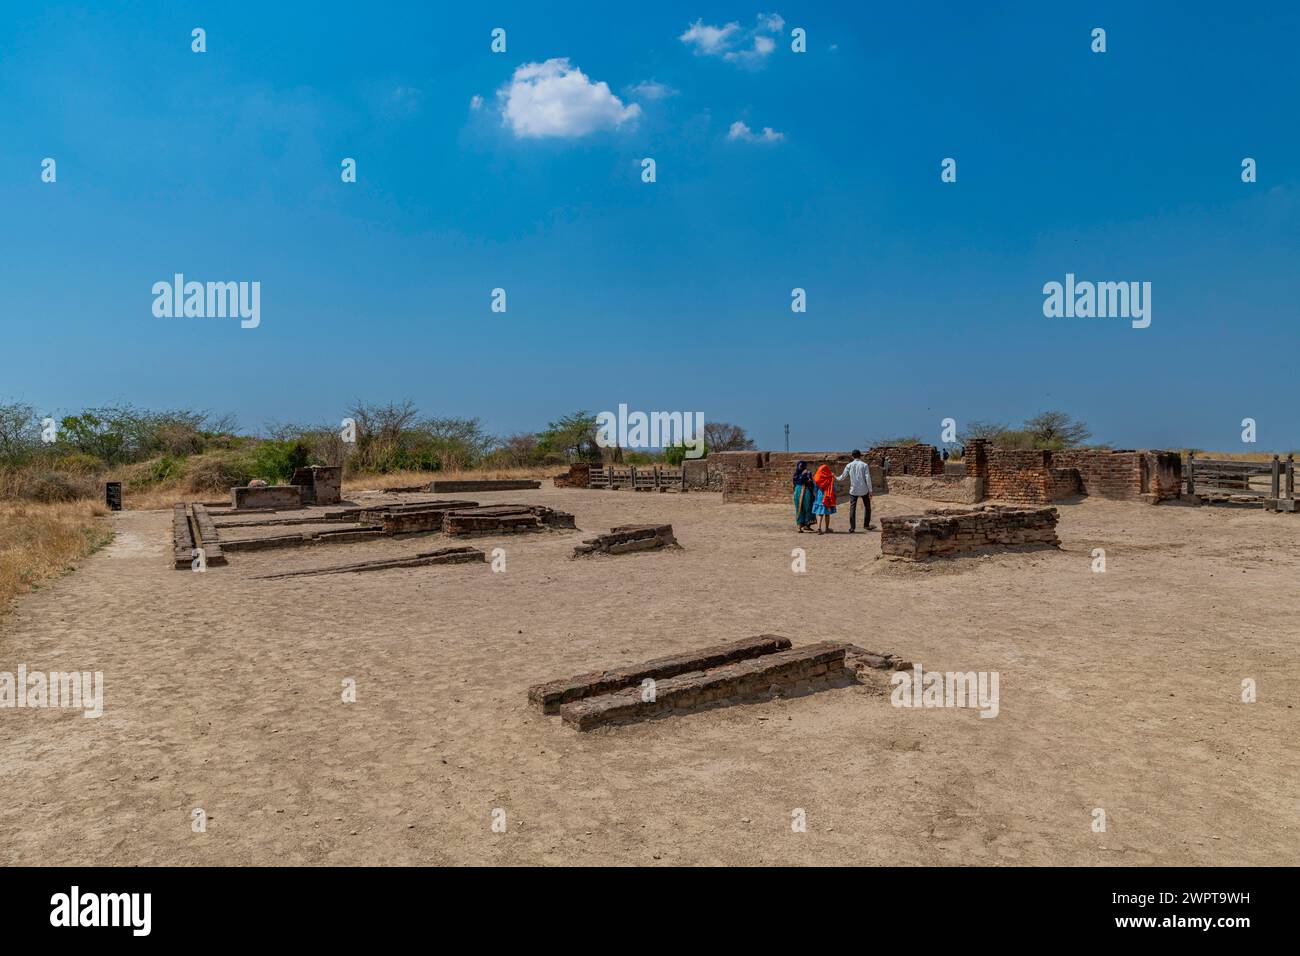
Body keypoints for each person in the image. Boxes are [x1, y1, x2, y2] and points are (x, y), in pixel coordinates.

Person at [836, 450, 874, 532]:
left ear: (852, 456)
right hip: (864, 489)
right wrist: (870, 490)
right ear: (860, 456)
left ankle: (852, 527)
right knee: (867, 508)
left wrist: (835, 477)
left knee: (852, 508)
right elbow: (868, 478)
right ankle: (866, 525)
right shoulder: (864, 465)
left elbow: (842, 477)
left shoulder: (849, 465)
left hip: (853, 490)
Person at [812, 463, 837, 533]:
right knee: (827, 513)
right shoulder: (830, 477)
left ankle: (819, 528)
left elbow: (815, 488)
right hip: (828, 496)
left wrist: (816, 493)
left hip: (820, 496)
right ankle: (827, 528)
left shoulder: (817, 477)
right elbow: (834, 488)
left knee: (820, 513)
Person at [792, 460, 816, 531]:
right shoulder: (801, 473)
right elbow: (807, 482)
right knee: (801, 507)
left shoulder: (804, 473)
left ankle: (806, 525)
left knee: (806, 507)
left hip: (802, 491)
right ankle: (800, 526)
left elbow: (810, 482)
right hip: (802, 491)